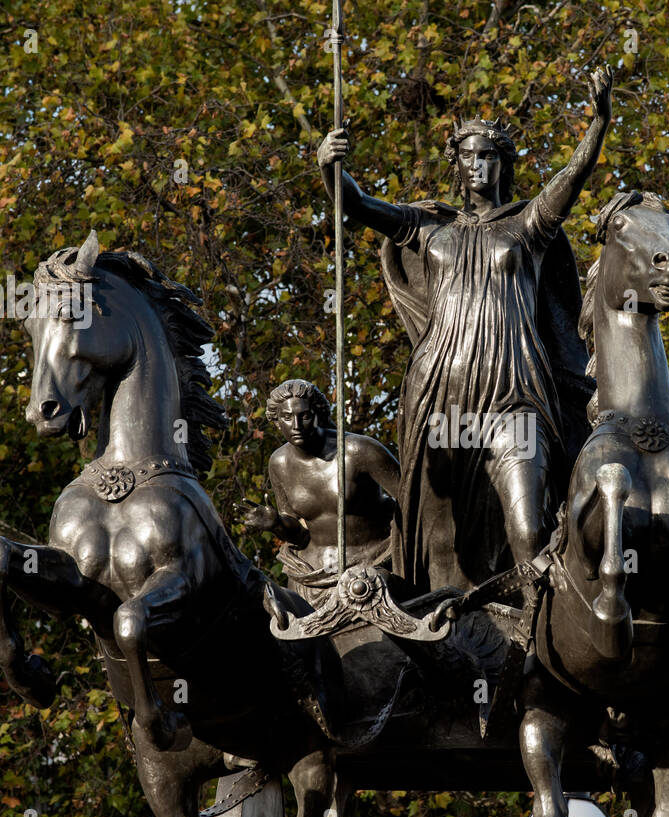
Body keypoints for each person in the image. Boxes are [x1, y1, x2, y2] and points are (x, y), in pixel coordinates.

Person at [317, 67, 612, 594]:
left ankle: (539, 637)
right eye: (469, 156)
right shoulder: (428, 226)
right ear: (457, 164)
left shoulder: (528, 226)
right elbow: (355, 205)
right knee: (439, 534)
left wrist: (599, 124)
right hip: (440, 392)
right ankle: (443, 624)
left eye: (489, 156)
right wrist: (330, 168)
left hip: (514, 391)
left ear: (503, 164)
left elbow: (572, 178)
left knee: (528, 524)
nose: (478, 165)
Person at [240, 379, 399, 606]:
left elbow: (413, 502)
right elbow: (298, 534)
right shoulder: (279, 462)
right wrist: (276, 524)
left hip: (372, 567)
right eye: (286, 417)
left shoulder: (360, 451)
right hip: (311, 576)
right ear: (276, 422)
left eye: (304, 416)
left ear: (318, 415)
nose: (296, 425)